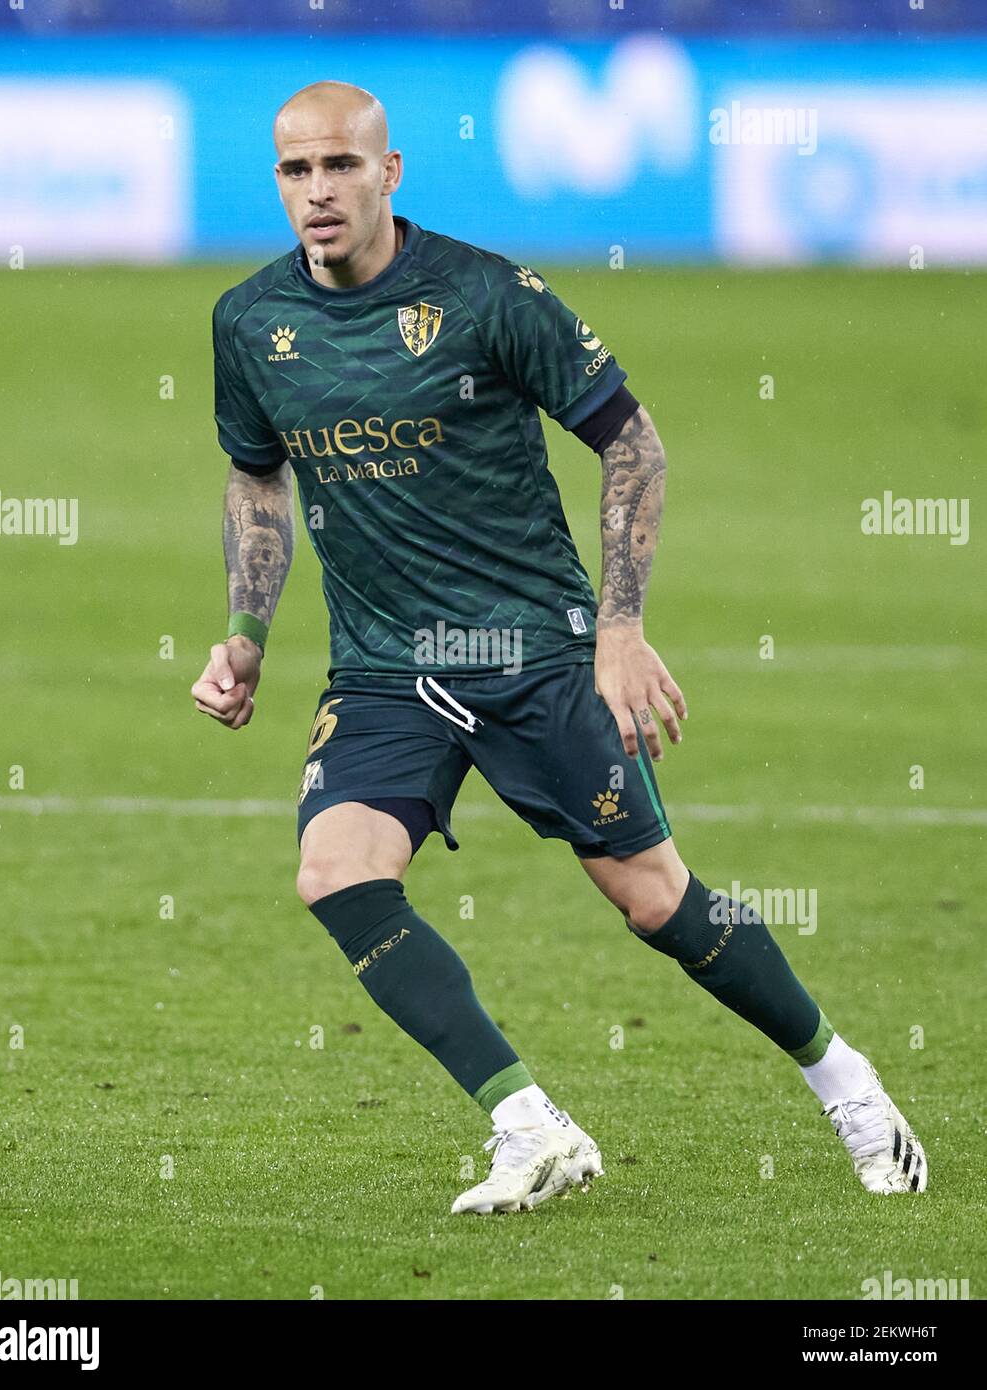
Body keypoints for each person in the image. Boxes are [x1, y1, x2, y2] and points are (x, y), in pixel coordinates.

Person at [192, 81, 926, 1213]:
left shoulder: (490, 297)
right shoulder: (249, 322)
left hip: (533, 651)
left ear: (390, 174)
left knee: (656, 901)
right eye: (296, 171)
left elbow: (633, 445)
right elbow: (256, 473)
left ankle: (850, 1085)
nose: (318, 191)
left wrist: (618, 630)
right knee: (335, 872)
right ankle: (529, 1125)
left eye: (341, 166)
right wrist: (245, 633)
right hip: (386, 669)